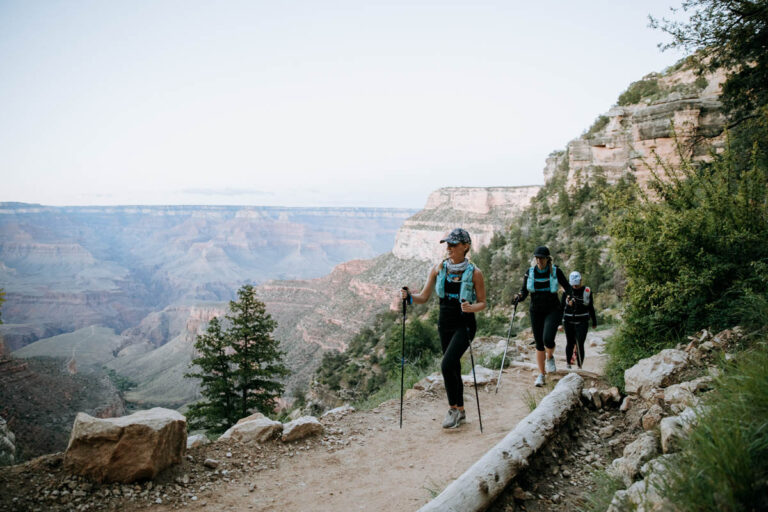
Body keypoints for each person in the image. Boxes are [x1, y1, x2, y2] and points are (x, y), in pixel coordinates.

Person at [400, 228, 486, 429]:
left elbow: (483, 303)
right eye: (448, 244)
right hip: (444, 324)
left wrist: (471, 307)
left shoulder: (475, 273)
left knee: (446, 364)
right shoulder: (438, 269)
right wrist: (409, 297)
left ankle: (452, 409)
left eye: (453, 244)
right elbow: (423, 297)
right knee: (453, 367)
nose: (449, 248)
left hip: (465, 324)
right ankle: (460, 411)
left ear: (465, 246)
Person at [512, 246, 571, 387]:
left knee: (548, 339)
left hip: (553, 310)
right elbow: (524, 292)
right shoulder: (530, 272)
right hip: (536, 311)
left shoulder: (556, 271)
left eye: (542, 258)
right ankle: (541, 374)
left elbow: (568, 287)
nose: (539, 260)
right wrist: (518, 297)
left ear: (547, 259)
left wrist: (569, 297)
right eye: (537, 258)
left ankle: (550, 357)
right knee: (539, 344)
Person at [561, 271, 597, 369]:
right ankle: (568, 364)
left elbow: (590, 307)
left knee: (580, 343)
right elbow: (561, 307)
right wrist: (559, 323)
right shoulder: (566, 291)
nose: (575, 286)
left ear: (581, 281)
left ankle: (579, 366)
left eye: (577, 284)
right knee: (570, 343)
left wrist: (594, 321)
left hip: (582, 321)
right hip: (568, 321)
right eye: (573, 284)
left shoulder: (587, 291)